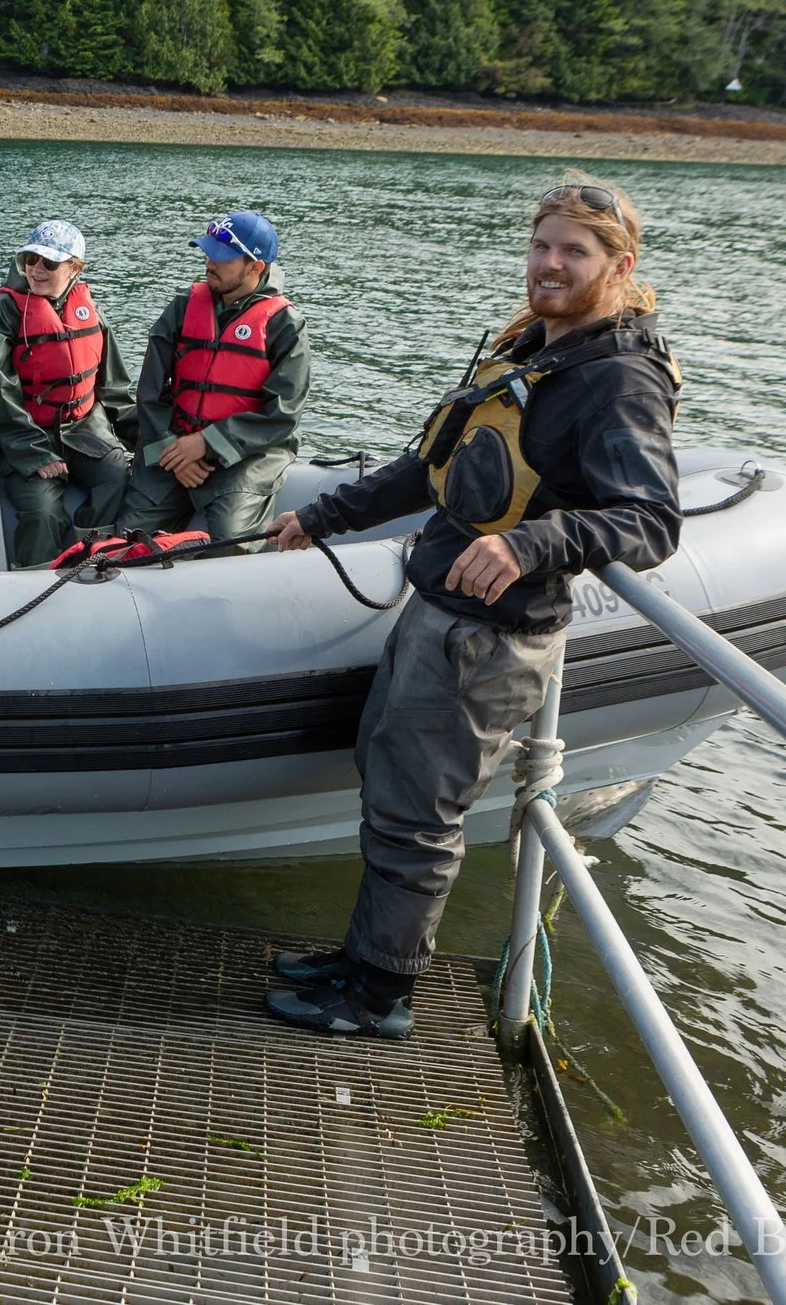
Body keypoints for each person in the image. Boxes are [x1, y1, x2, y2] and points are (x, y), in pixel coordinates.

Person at [264, 176, 682, 1040]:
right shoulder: (533, 349)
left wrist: (534, 542)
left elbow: (650, 519)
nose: (550, 263)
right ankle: (361, 958)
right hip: (438, 608)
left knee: (421, 815)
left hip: (490, 638)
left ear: (620, 265)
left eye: (574, 251)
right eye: (542, 245)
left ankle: (380, 994)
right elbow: (432, 468)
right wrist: (323, 515)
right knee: (391, 787)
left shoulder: (619, 380)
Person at [118, 211, 308, 552]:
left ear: (255, 267)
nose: (210, 264)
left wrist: (206, 444)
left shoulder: (286, 325)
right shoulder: (182, 307)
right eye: (208, 254)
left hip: (247, 456)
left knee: (230, 544)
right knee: (123, 543)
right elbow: (150, 391)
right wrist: (174, 451)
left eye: (222, 258)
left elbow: (282, 415)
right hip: (173, 445)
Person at [0, 220, 135, 567]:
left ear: (75, 268)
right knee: (42, 511)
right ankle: (37, 583)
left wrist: (150, 444)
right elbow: (0, 394)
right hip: (26, 441)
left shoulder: (90, 312)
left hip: (84, 432)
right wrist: (34, 454)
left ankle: (88, 561)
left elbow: (114, 390)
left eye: (49, 263)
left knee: (116, 477)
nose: (36, 270)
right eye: (30, 259)